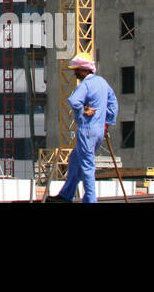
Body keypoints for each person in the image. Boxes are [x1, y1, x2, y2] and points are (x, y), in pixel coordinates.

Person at [48, 52, 118, 203]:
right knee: (75, 159)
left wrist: (83, 112)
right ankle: (67, 194)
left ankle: (90, 200)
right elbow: (113, 105)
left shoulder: (86, 84)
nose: (75, 73)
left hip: (87, 130)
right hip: (98, 131)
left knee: (87, 166)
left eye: (77, 70)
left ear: (85, 70)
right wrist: (106, 123)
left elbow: (74, 101)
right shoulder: (102, 83)